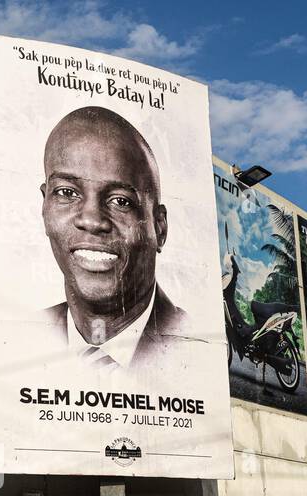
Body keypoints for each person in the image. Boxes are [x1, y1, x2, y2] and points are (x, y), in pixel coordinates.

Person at [37, 106, 192, 376]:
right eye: (66, 192)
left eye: (121, 201)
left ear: (160, 226)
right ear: (45, 205)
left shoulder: (197, 348)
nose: (93, 220)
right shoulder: (21, 339)